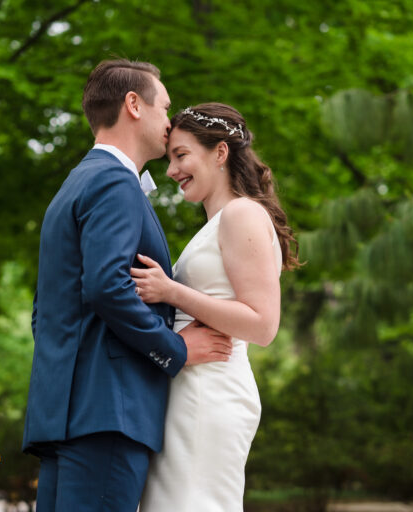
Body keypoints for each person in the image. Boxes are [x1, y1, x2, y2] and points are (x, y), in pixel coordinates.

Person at [21, 61, 233, 512]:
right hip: (108, 416)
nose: (171, 123)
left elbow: (46, 310)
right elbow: (107, 287)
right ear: (134, 105)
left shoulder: (74, 185)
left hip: (64, 415)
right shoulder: (115, 183)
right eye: (166, 107)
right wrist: (174, 349)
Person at [135, 103, 300, 512]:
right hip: (191, 388)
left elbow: (263, 325)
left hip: (210, 394)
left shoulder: (241, 214)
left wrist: (172, 292)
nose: (171, 170)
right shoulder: (217, 222)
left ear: (220, 153)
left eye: (181, 155)